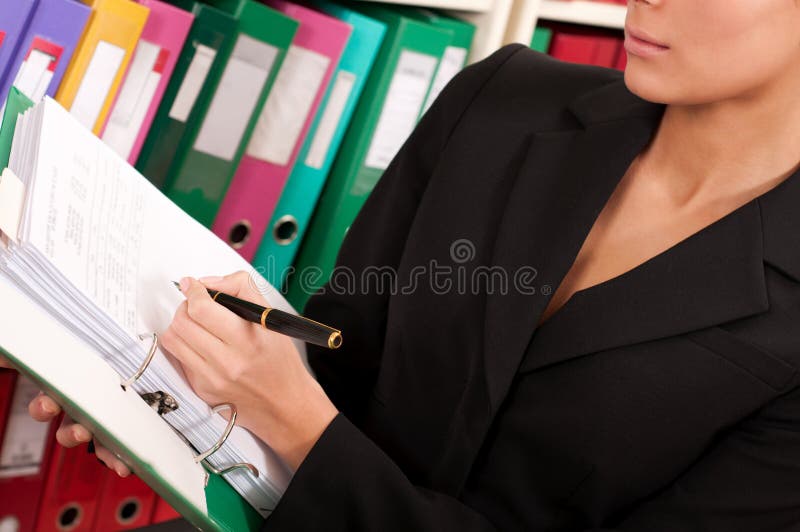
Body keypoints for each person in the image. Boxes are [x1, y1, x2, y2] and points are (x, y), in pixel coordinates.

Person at [4, 0, 800, 529]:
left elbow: (310, 418)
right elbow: (336, 356)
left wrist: (294, 423)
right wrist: (168, 400)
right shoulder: (502, 99)